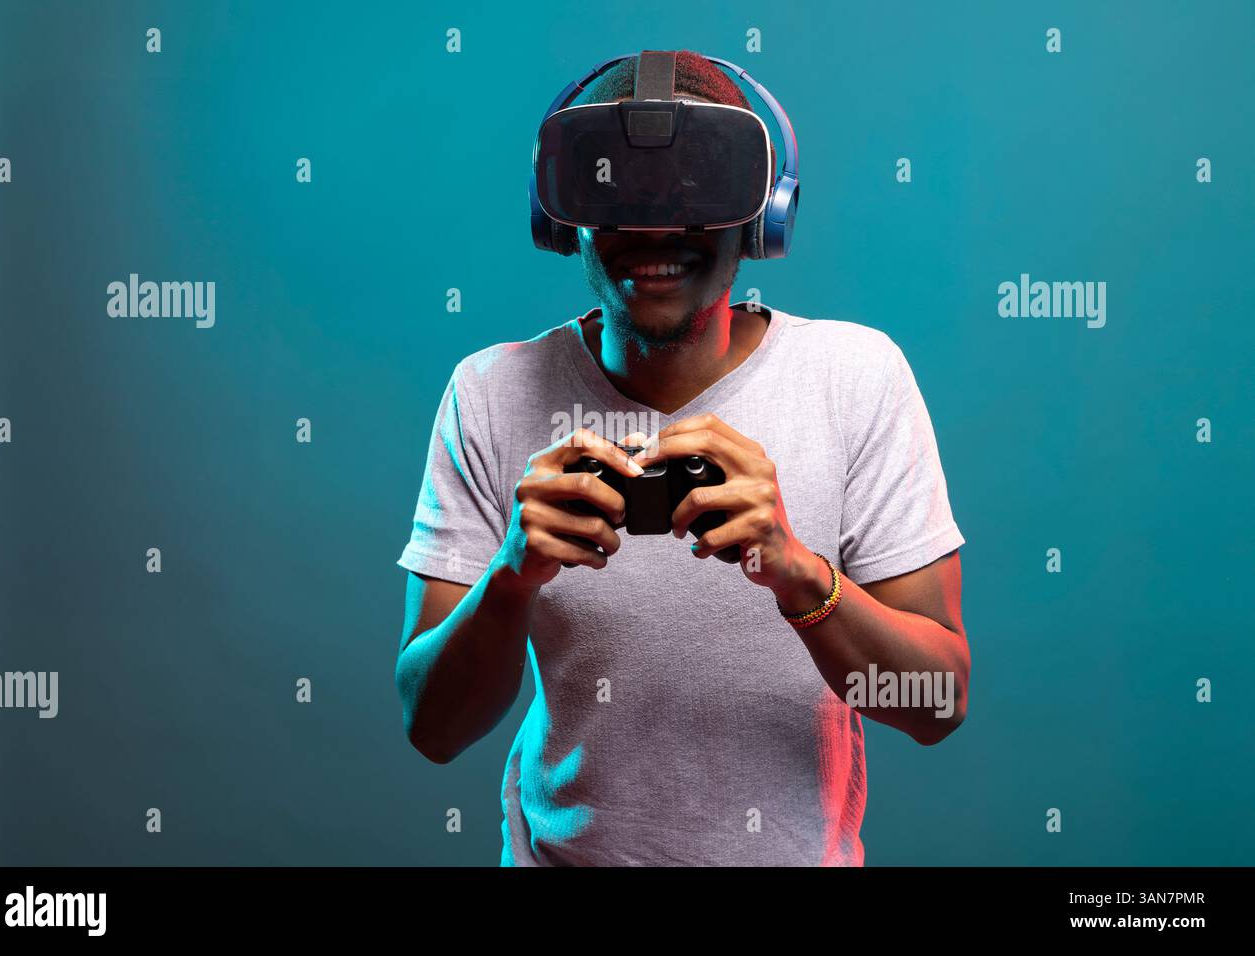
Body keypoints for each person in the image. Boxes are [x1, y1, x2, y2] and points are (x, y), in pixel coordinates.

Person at [395, 50, 969, 866]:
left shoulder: (855, 378)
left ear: (760, 219)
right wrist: (510, 578)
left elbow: (937, 704)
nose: (655, 232)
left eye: (689, 200)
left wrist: (799, 574)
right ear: (562, 220)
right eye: (617, 199)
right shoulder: (490, 392)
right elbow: (433, 730)